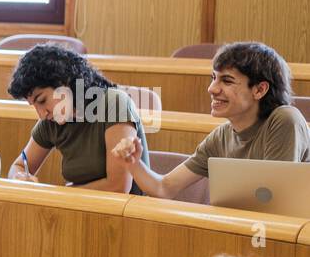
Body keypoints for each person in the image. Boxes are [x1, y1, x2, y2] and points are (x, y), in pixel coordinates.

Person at [111, 41, 310, 199]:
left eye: (226, 80)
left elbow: (274, 201)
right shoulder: (221, 135)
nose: (212, 89)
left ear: (259, 89)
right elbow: (165, 188)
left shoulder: (284, 120)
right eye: (213, 78)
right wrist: (134, 164)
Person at [5, 43, 151, 192]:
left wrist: (62, 193)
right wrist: (18, 177)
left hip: (124, 212)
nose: (41, 114)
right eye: (34, 105)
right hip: (81, 210)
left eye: (42, 100)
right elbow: (19, 165)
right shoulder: (52, 120)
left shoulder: (114, 103)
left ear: (64, 82)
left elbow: (118, 187)